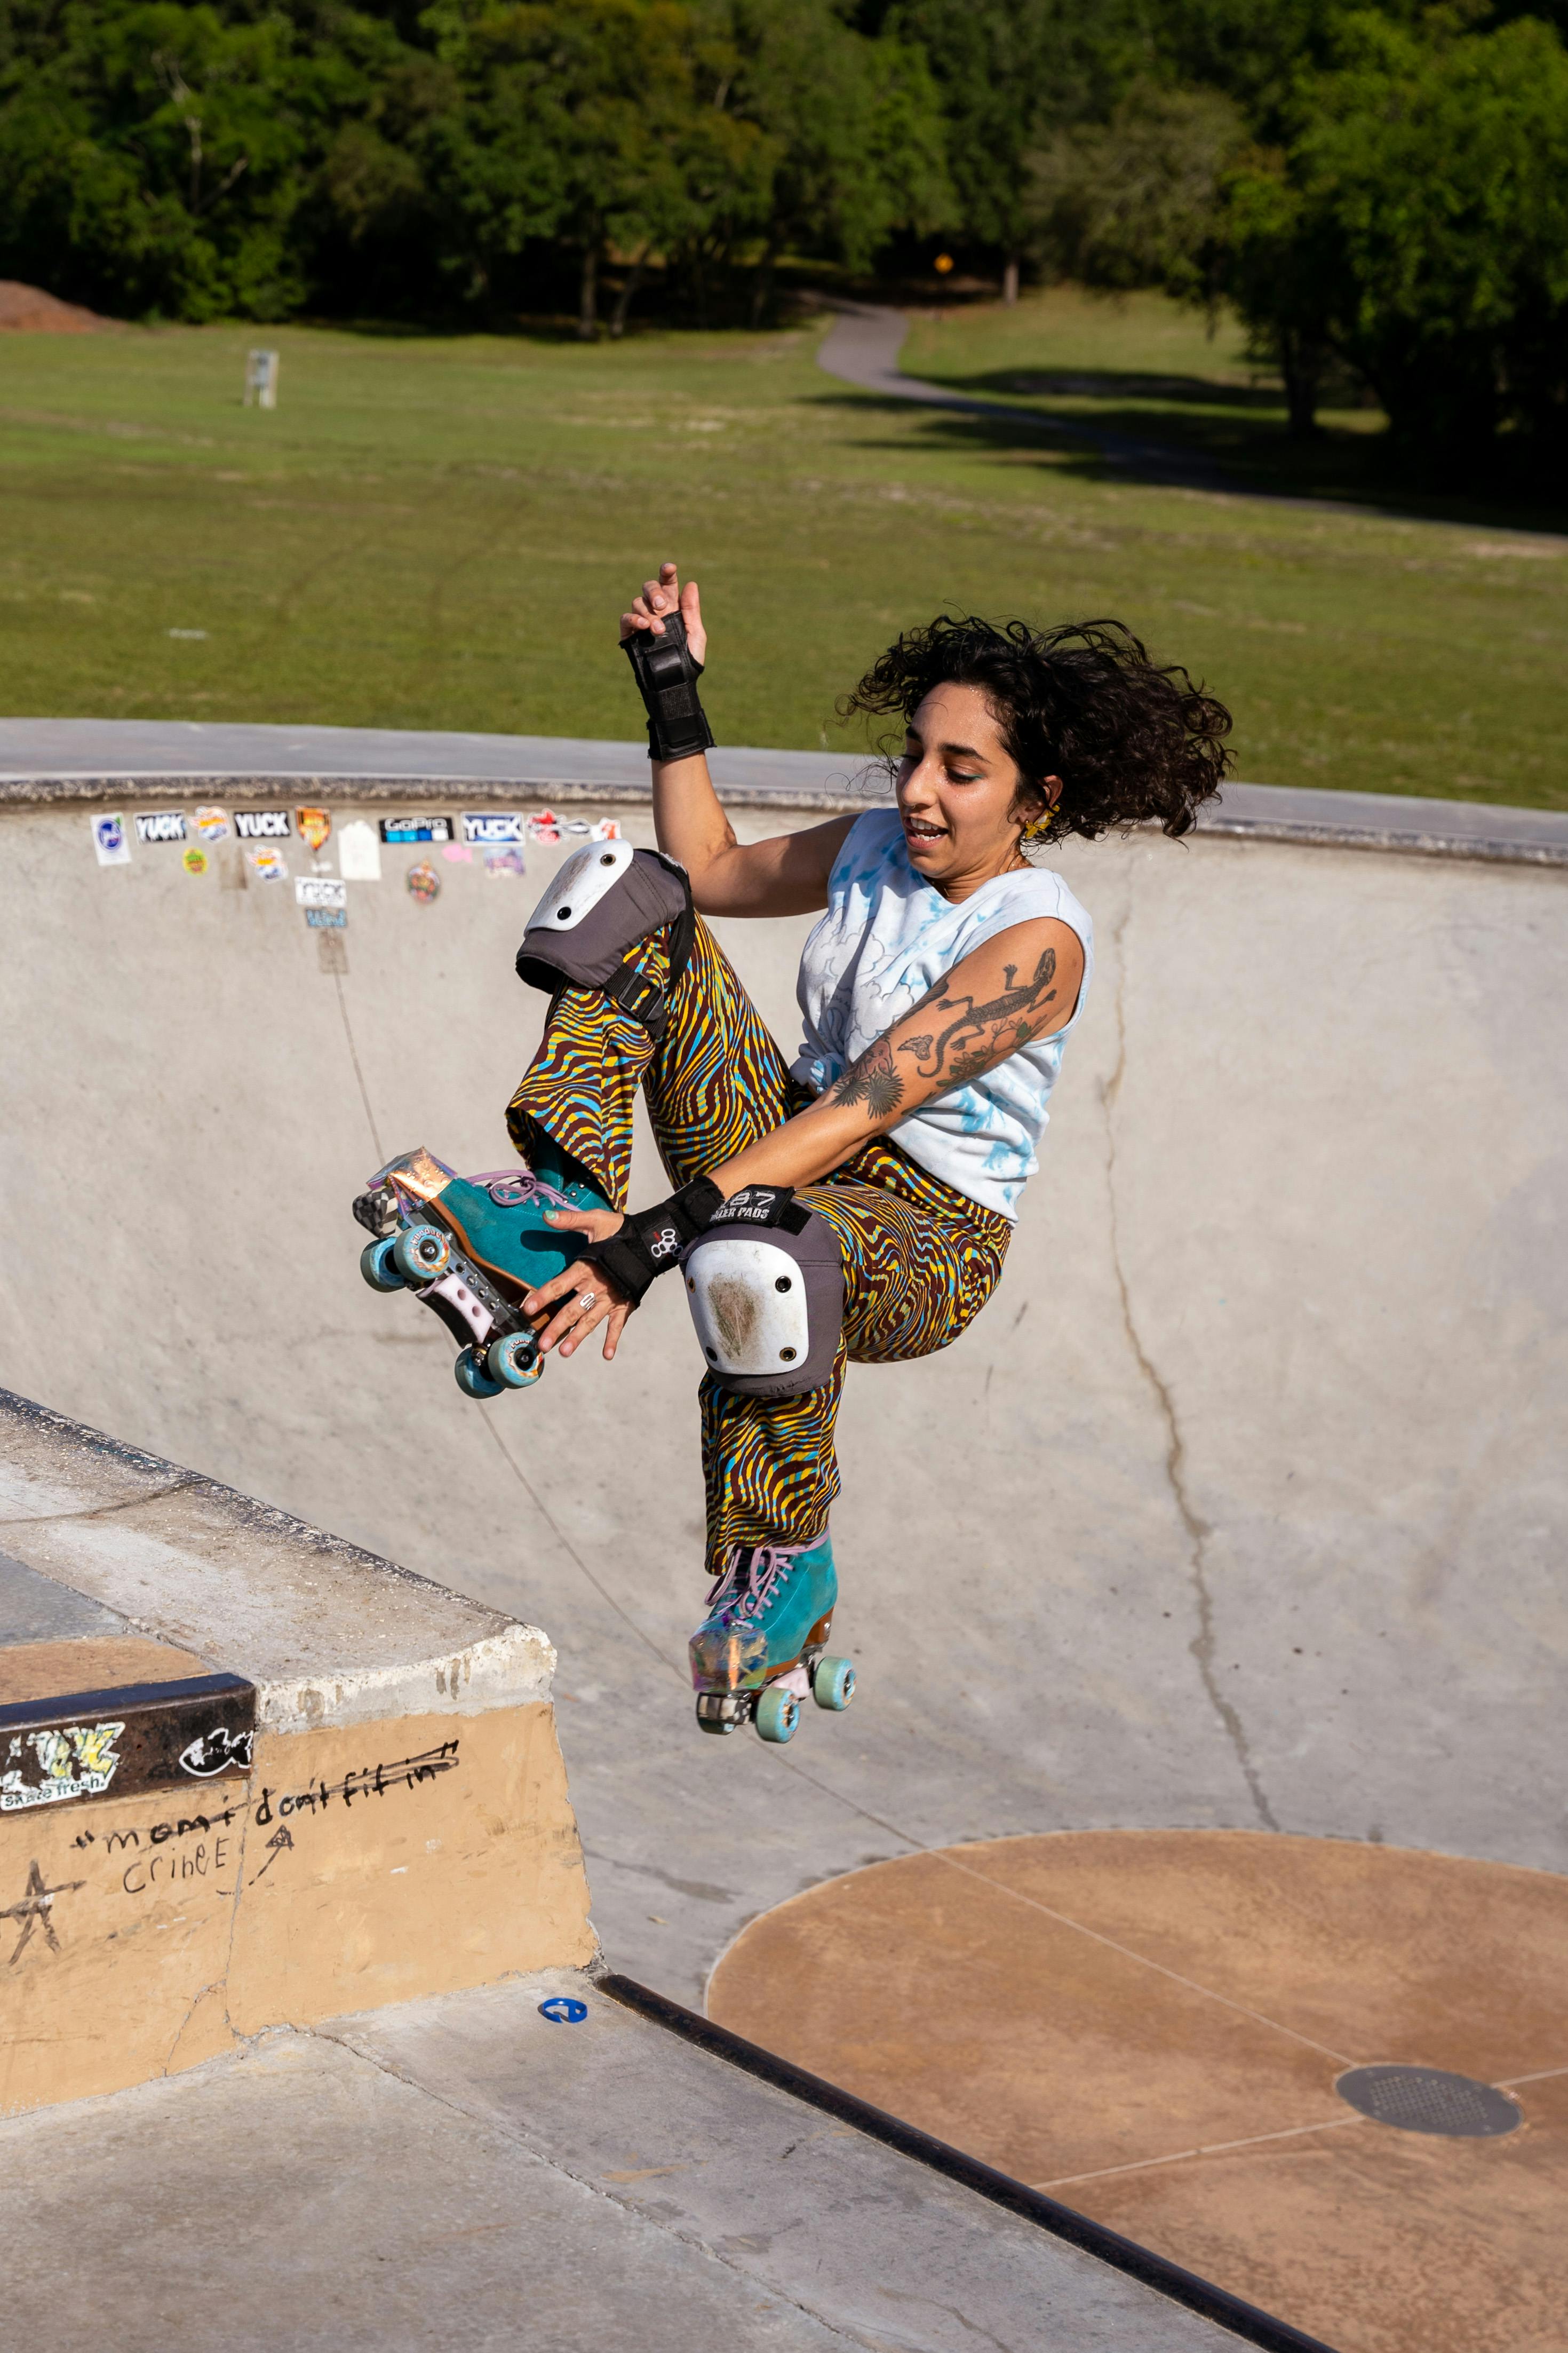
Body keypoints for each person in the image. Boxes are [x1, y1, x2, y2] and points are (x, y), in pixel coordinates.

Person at [505, 561, 1232, 1741]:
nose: (920, 792)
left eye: (961, 770)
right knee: (623, 895)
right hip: (785, 1140)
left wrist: (657, 1238)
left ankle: (787, 1556)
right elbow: (706, 870)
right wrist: (672, 696)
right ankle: (550, 1196)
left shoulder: (1035, 941)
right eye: (913, 756)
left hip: (926, 1231)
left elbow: (859, 1114)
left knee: (758, 1248)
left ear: (1033, 800)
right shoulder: (870, 850)